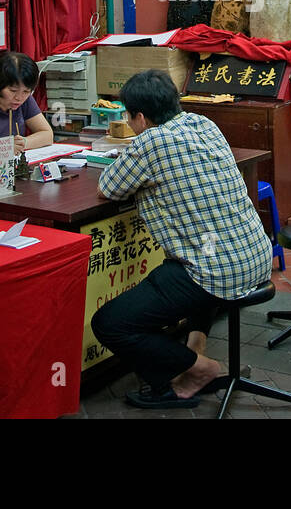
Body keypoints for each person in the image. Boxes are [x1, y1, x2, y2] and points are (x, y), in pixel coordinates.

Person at [91, 69, 273, 408]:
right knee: (179, 265)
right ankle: (192, 353)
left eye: (129, 117)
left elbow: (108, 187)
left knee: (110, 323)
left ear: (140, 117)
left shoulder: (150, 141)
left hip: (216, 271)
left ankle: (199, 369)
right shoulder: (204, 123)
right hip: (256, 256)